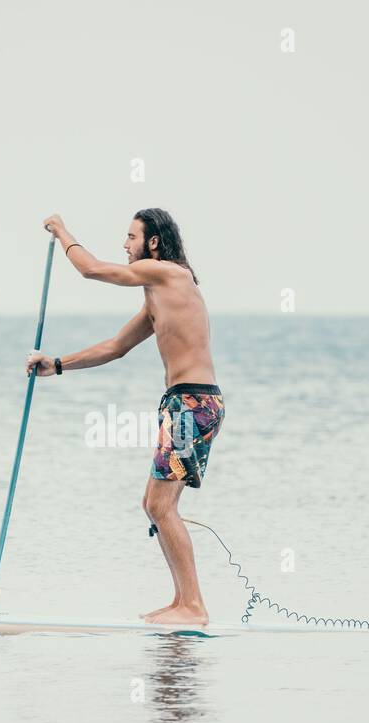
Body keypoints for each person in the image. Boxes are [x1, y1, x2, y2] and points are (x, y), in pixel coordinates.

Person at [28, 210, 225, 626]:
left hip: (192, 404)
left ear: (153, 243)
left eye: (132, 236)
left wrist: (61, 229)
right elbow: (115, 347)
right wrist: (57, 365)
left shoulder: (170, 274)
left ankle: (193, 606)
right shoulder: (158, 296)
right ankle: (182, 602)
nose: (125, 244)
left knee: (159, 504)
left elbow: (92, 269)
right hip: (185, 403)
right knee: (156, 504)